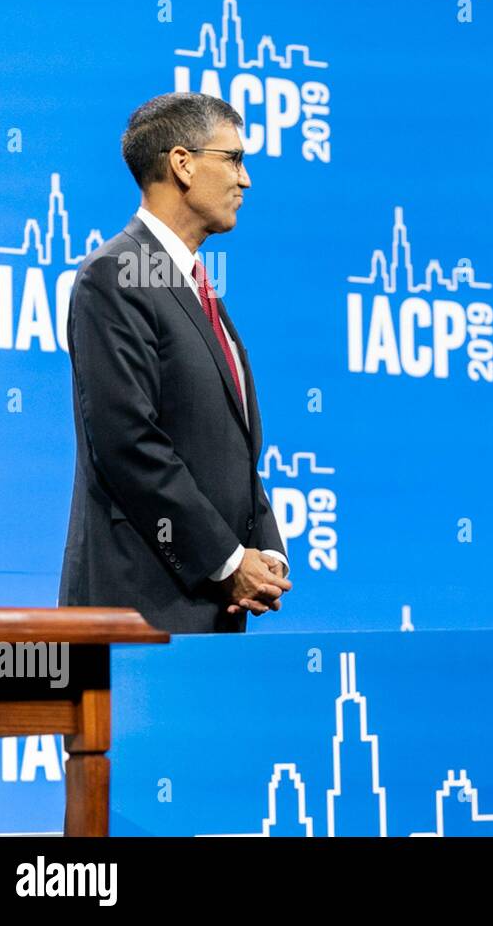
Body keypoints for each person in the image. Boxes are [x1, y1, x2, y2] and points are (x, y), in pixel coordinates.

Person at [59, 92, 291, 634]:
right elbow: (128, 443)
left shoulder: (191, 285)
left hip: (209, 609)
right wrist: (229, 562)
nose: (245, 179)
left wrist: (263, 550)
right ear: (182, 163)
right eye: (232, 159)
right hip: (140, 606)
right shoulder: (115, 274)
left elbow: (223, 445)